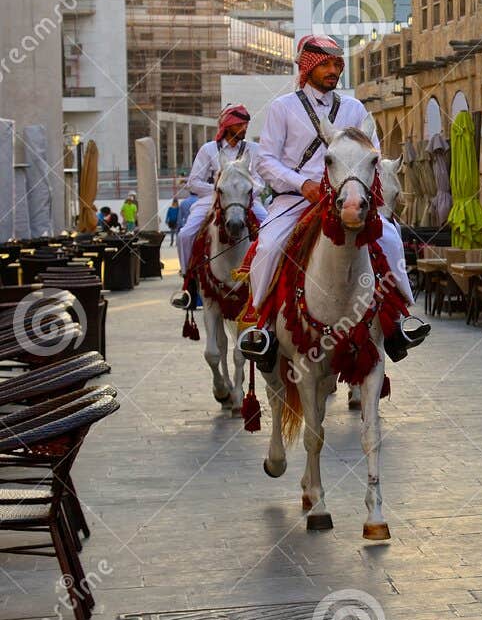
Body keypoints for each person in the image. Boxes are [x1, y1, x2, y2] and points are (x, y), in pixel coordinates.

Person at [237, 34, 429, 370]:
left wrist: (359, 188)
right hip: (296, 199)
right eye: (324, 64)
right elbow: (266, 161)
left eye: (336, 64)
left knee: (391, 238)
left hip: (347, 199)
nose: (332, 70)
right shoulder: (284, 108)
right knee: (267, 247)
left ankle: (399, 322)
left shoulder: (354, 109)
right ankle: (263, 327)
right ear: (307, 67)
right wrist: (303, 183)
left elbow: (374, 154)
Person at [171, 104, 265, 310]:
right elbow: (194, 182)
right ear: (228, 125)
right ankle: (188, 285)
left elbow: (261, 180)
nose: (244, 128)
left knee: (269, 226)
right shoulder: (209, 150)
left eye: (245, 124)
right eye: (240, 124)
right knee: (185, 234)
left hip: (246, 200)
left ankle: (272, 280)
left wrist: (246, 192)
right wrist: (218, 190)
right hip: (212, 198)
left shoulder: (254, 149)